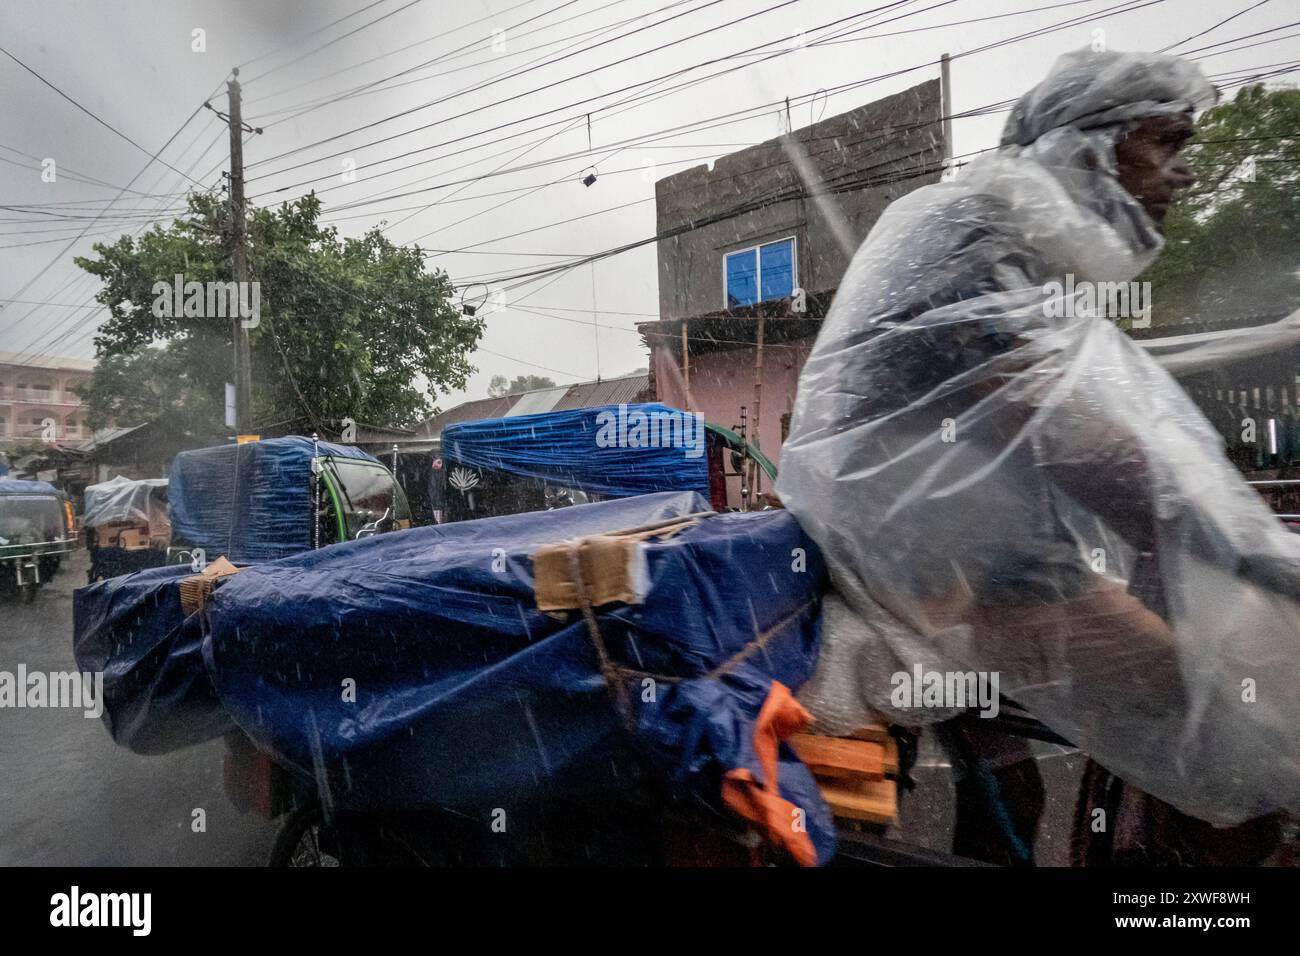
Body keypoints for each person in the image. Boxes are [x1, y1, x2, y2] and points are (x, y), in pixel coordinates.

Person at [780, 48, 1300, 861]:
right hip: (955, 572)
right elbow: (1070, 431)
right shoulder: (978, 233)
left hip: (971, 552)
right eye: (1167, 144)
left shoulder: (982, 224)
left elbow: (1074, 408)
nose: (1183, 174)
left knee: (1041, 772)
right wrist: (1250, 550)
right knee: (1226, 709)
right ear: (1091, 144)